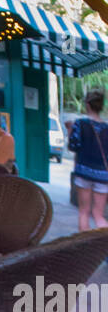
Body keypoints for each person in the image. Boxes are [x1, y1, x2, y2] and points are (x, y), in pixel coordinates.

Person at [67, 88, 108, 231]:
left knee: (84, 212)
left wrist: (69, 130)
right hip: (103, 175)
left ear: (87, 104)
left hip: (83, 172)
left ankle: (85, 249)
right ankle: (103, 248)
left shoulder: (80, 123)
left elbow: (73, 146)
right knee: (98, 215)